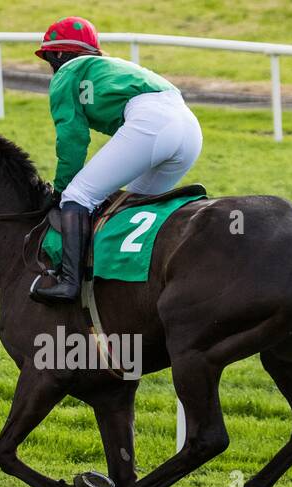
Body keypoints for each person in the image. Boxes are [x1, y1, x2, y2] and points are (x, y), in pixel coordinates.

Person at [29, 17, 204, 304]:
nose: (51, 68)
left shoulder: (67, 73)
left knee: (78, 194)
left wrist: (62, 190)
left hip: (153, 123)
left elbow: (72, 138)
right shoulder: (112, 68)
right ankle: (132, 285)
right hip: (188, 129)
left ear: (57, 54)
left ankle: (69, 283)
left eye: (49, 59)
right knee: (131, 206)